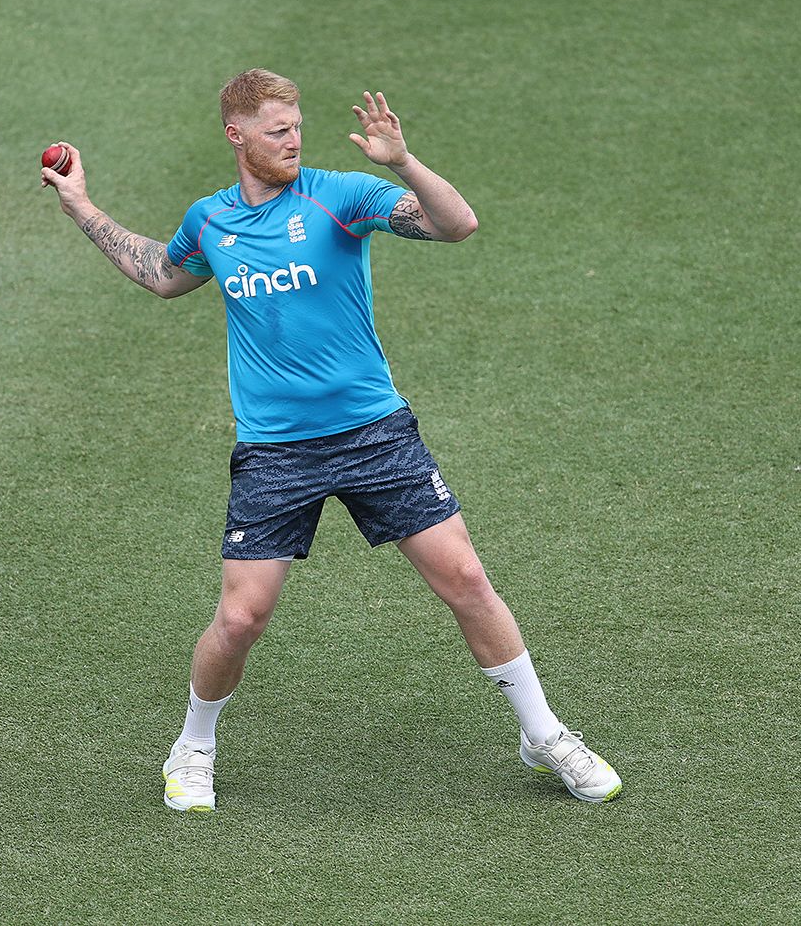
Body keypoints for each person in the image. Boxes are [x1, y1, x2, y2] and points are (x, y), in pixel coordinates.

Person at [42, 69, 621, 812]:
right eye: (277, 129)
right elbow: (161, 274)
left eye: (296, 126)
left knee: (467, 580)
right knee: (241, 616)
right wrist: (82, 204)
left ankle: (543, 733)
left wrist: (403, 162)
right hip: (277, 452)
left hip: (376, 433)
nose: (293, 139)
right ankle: (192, 747)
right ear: (237, 136)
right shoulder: (211, 221)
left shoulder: (338, 195)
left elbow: (457, 223)